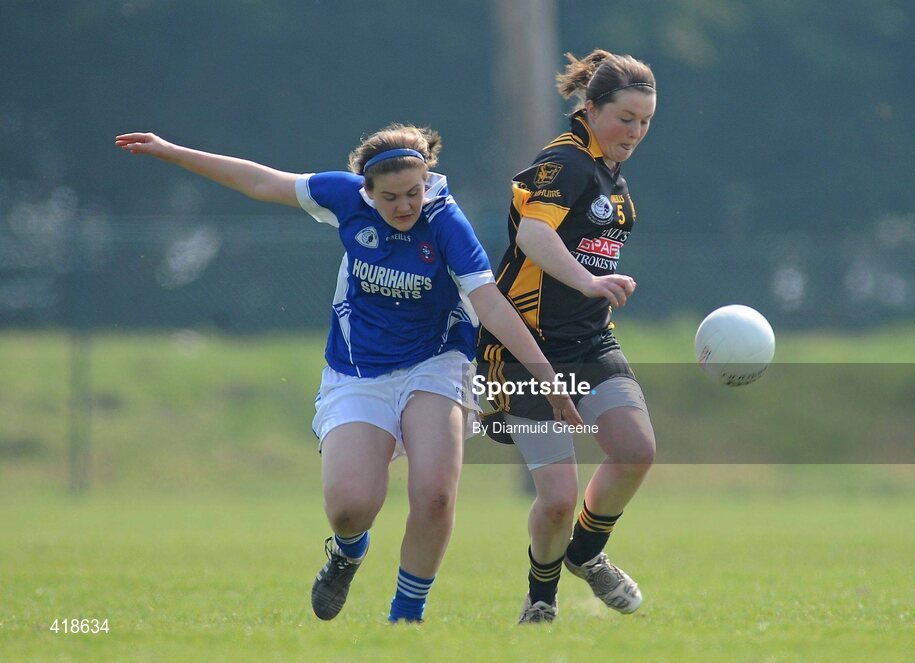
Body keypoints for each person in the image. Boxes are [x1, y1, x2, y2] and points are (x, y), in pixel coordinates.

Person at [115, 124, 581, 623]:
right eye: (391, 197)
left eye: (414, 192)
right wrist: (174, 152)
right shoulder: (342, 195)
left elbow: (491, 305)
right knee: (350, 506)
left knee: (436, 492)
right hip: (358, 370)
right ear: (366, 191)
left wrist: (547, 379)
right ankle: (347, 551)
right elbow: (261, 181)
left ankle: (406, 617)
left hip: (437, 363)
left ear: (427, 181)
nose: (406, 206)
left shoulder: (446, 223)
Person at [476, 49, 658, 623]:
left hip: (591, 344)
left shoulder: (610, 174)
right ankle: (541, 598)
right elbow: (533, 235)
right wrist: (589, 281)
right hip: (526, 348)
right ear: (593, 107)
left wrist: (594, 290)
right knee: (555, 499)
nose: (635, 131)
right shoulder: (567, 160)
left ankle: (586, 553)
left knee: (635, 451)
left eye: (645, 121)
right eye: (625, 118)